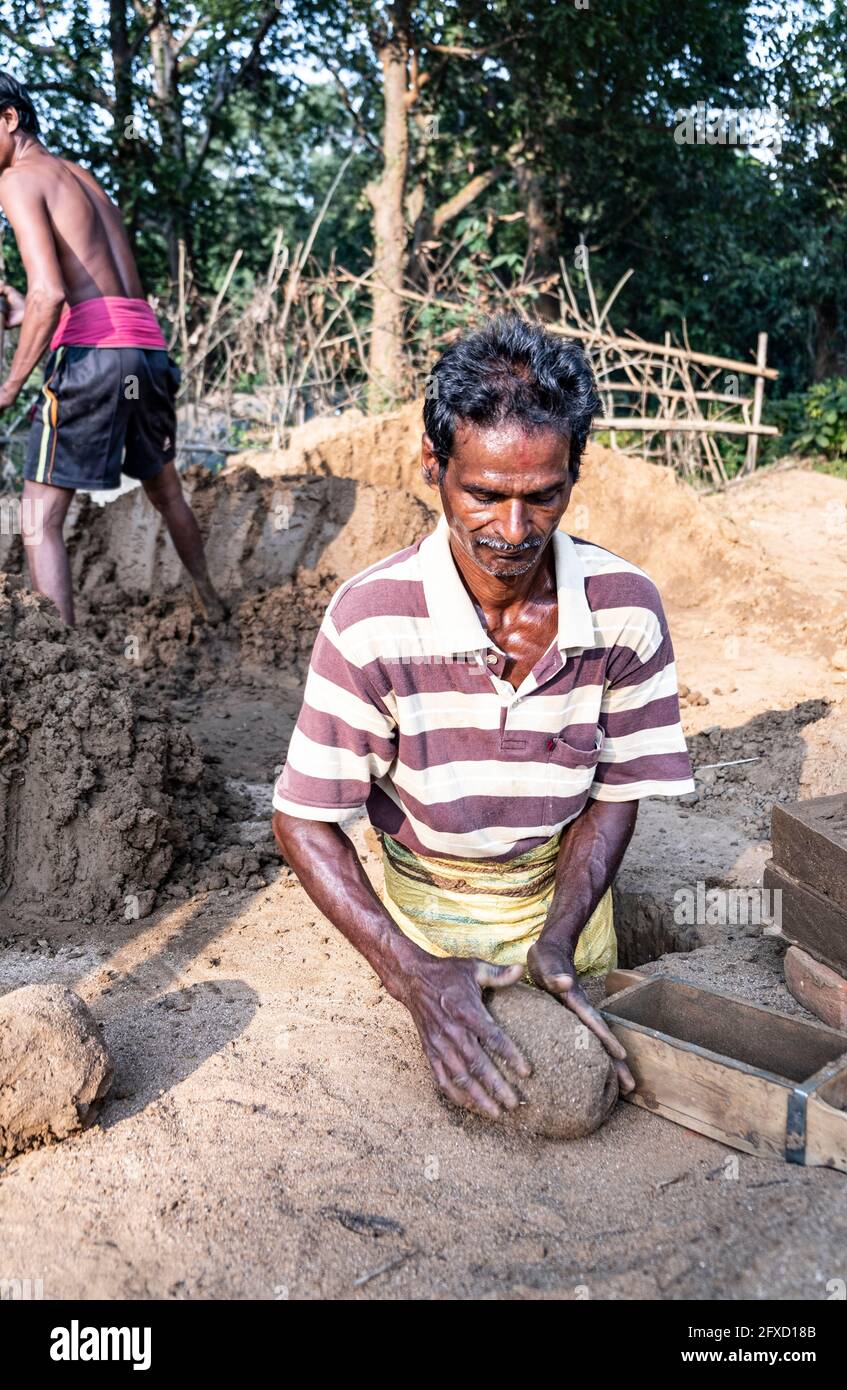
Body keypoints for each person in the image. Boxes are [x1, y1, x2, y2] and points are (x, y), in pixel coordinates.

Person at [272, 314, 695, 1119]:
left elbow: (614, 792)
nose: (512, 531)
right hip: (424, 905)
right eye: (485, 494)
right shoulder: (370, 620)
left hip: (560, 897)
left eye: (543, 496)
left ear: (575, 469)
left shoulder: (627, 609)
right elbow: (303, 821)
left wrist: (561, 939)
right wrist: (412, 974)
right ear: (433, 465)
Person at [0, 72, 225, 626]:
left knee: (37, 518)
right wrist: (28, 315)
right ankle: (211, 601)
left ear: (9, 119)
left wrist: (8, 387)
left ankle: (63, 665)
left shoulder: (16, 180)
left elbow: (50, 291)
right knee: (167, 492)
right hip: (145, 353)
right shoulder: (83, 177)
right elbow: (97, 295)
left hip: (93, 361)